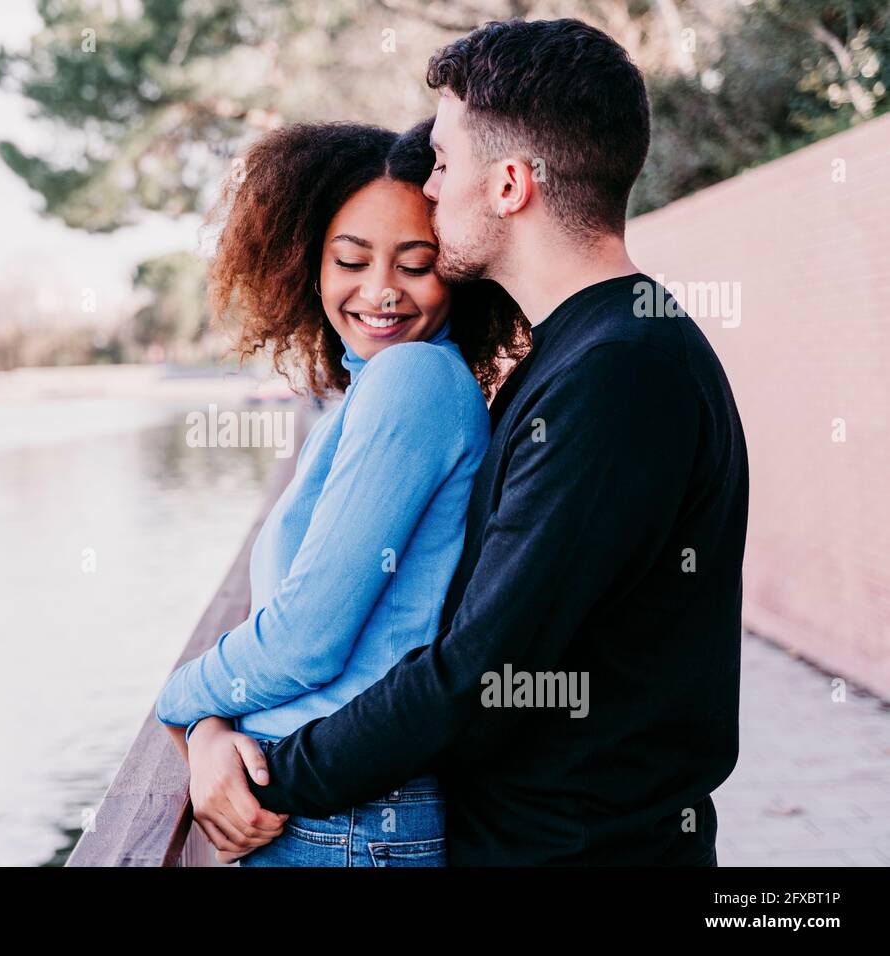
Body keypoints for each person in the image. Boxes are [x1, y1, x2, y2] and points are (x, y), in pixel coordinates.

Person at [183, 17, 750, 866]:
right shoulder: (577, 353)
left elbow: (479, 671)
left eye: (445, 163)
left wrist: (267, 779)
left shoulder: (622, 374)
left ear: (511, 183)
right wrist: (215, 727)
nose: (431, 185)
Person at [154, 119, 529, 866]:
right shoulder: (361, 396)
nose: (380, 291)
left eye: (416, 264)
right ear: (308, 266)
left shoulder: (412, 377)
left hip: (345, 824)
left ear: (455, 269)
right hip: (328, 810)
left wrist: (178, 699)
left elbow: (305, 640)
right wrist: (210, 730)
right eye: (350, 260)